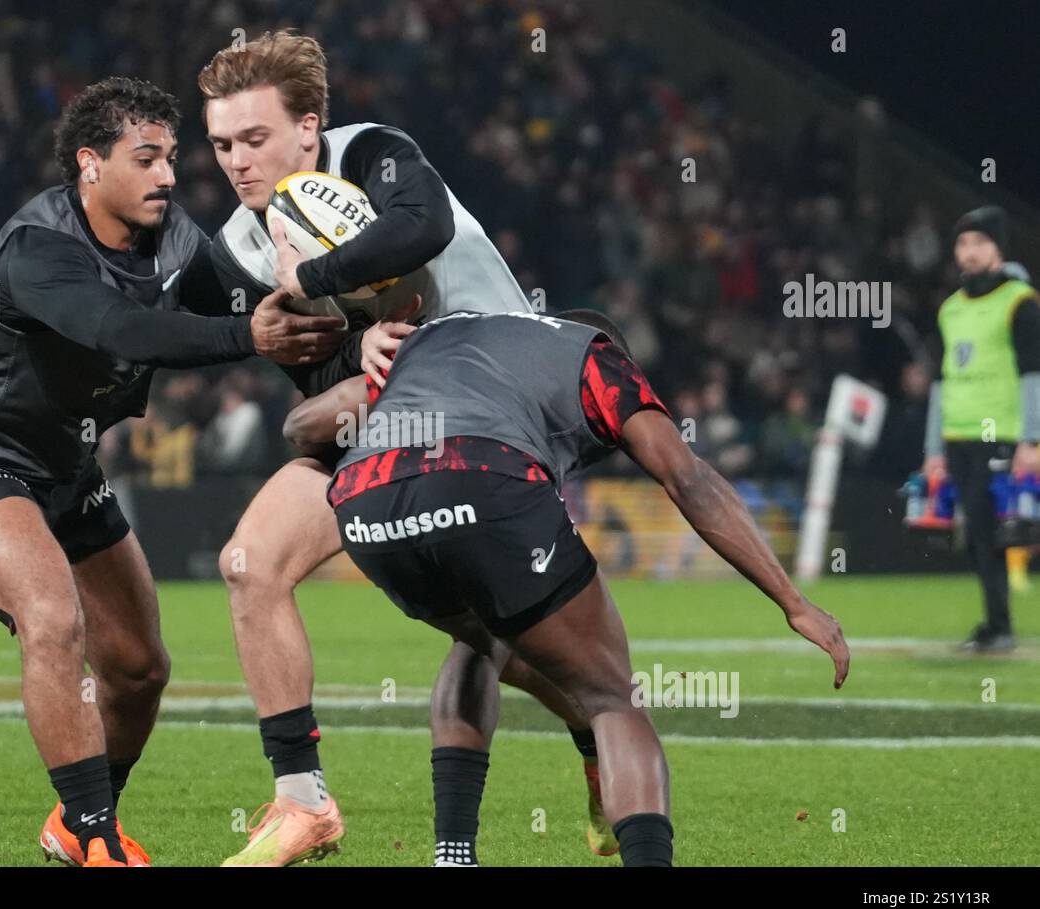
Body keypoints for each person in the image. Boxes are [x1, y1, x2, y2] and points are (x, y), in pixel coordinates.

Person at [0, 76, 344, 866]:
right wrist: (251, 340)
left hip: (64, 468)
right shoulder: (37, 249)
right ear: (91, 166)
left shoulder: (172, 237)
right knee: (53, 618)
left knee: (137, 669)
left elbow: (247, 307)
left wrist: (342, 356)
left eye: (171, 156)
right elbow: (123, 330)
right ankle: (96, 840)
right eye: (147, 158)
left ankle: (77, 820)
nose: (169, 175)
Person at [200, 30, 609, 866]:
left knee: (503, 639)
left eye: (254, 139)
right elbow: (317, 391)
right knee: (250, 561)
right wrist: (360, 361)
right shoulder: (240, 243)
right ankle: (301, 801)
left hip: (495, 406)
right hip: (383, 424)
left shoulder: (375, 153)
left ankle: (601, 729)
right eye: (220, 145)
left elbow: (418, 227)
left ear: (308, 130)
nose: (236, 162)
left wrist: (309, 280)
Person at [286, 308, 849, 866]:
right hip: (483, 483)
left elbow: (302, 426)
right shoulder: (595, 355)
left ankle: (453, 857)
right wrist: (793, 602)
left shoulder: (449, 333)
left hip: (365, 507)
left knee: (482, 639)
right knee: (613, 697)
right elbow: (687, 477)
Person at [922, 207, 1040, 652]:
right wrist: (933, 448)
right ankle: (996, 624)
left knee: (998, 529)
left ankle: (999, 625)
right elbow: (940, 382)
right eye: (962, 243)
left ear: (998, 248)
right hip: (958, 434)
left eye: (978, 242)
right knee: (976, 532)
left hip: (1002, 433)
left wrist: (1032, 438)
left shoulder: (1020, 301)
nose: (968, 252)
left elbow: (1034, 375)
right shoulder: (950, 309)